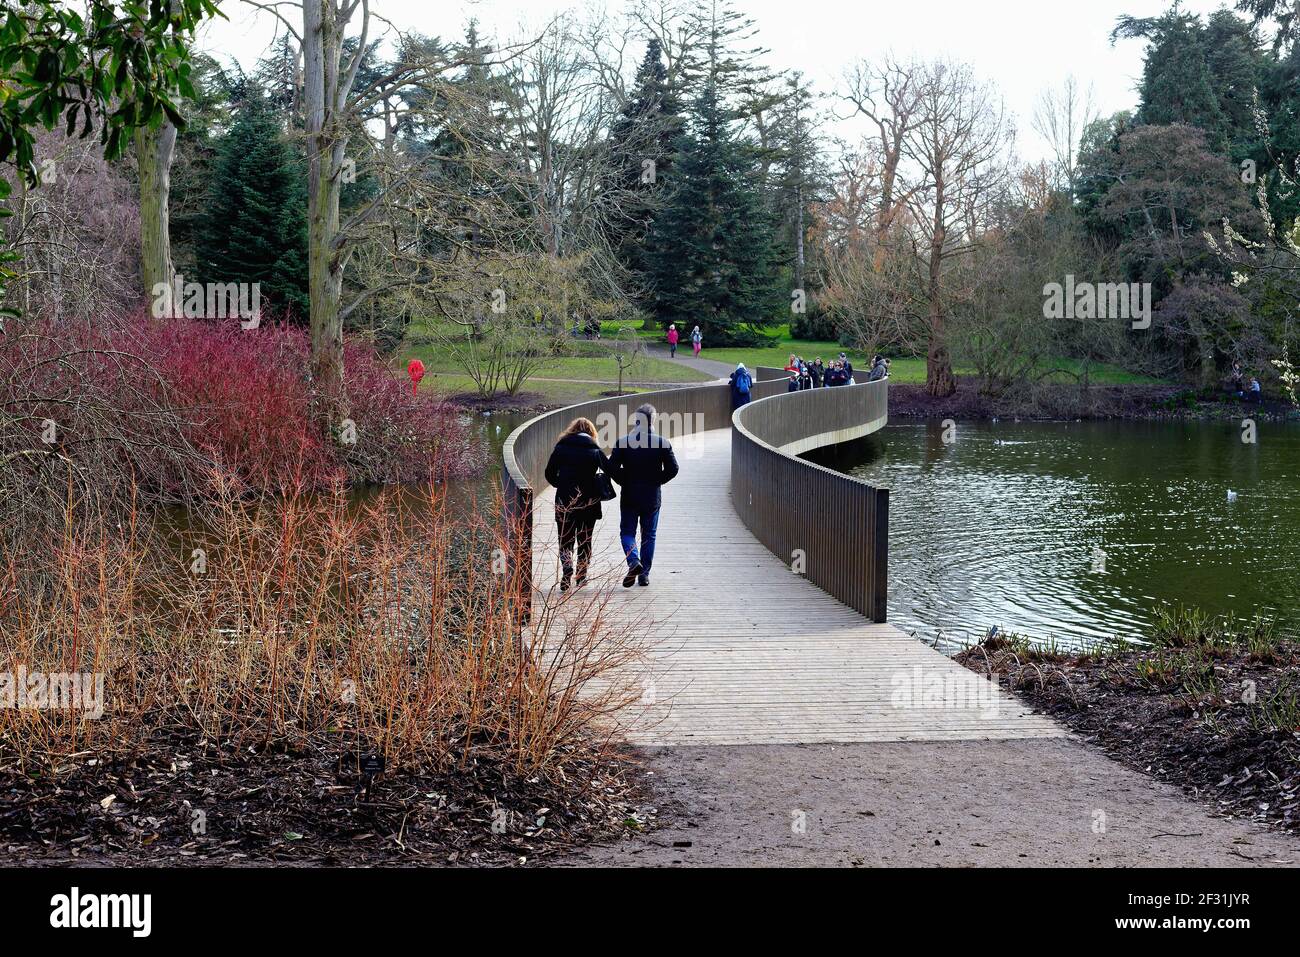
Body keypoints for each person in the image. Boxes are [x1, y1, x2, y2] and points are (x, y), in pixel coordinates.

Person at [608, 404, 679, 587]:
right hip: (652, 497)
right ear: (653, 420)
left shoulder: (623, 442)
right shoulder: (662, 443)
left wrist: (623, 480)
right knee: (649, 535)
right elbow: (673, 469)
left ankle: (633, 561)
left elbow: (612, 469)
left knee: (627, 532)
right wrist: (658, 480)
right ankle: (644, 574)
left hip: (630, 495)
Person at [544, 417, 611, 592]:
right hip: (589, 502)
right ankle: (581, 574)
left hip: (565, 501)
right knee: (585, 539)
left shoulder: (561, 448)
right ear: (591, 433)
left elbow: (549, 473)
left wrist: (561, 484)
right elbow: (610, 470)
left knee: (565, 538)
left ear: (571, 430)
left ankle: (567, 567)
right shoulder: (594, 449)